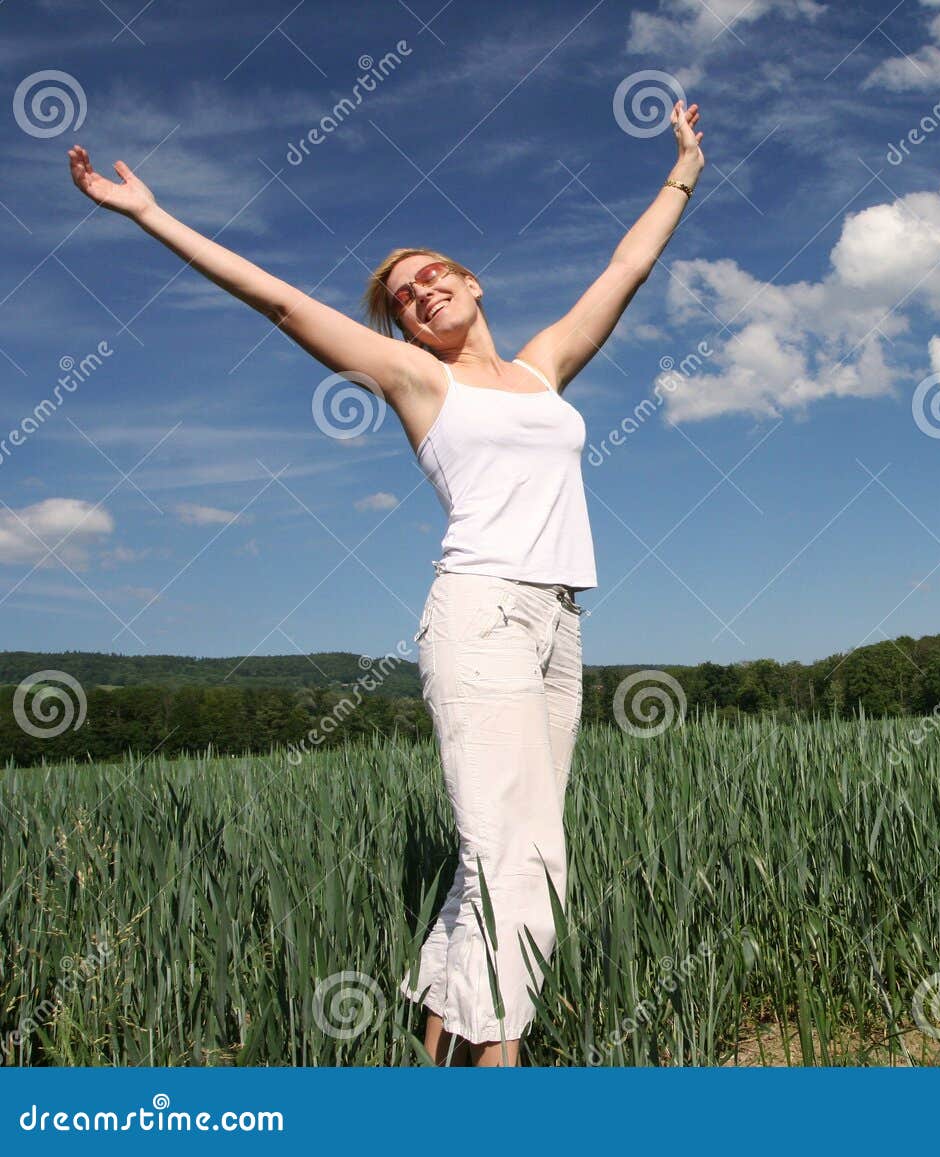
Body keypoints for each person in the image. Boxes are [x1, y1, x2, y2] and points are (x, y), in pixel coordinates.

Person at [68, 99, 705, 1067]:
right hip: (480, 613)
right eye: (406, 294)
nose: (424, 291)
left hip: (559, 623)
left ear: (473, 281)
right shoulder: (418, 381)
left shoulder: (540, 372)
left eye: (436, 272)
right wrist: (149, 215)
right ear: (402, 325)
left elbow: (627, 267)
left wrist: (684, 168)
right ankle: (501, 1074)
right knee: (523, 858)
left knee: (498, 852)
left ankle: (431, 1064)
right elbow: (281, 302)